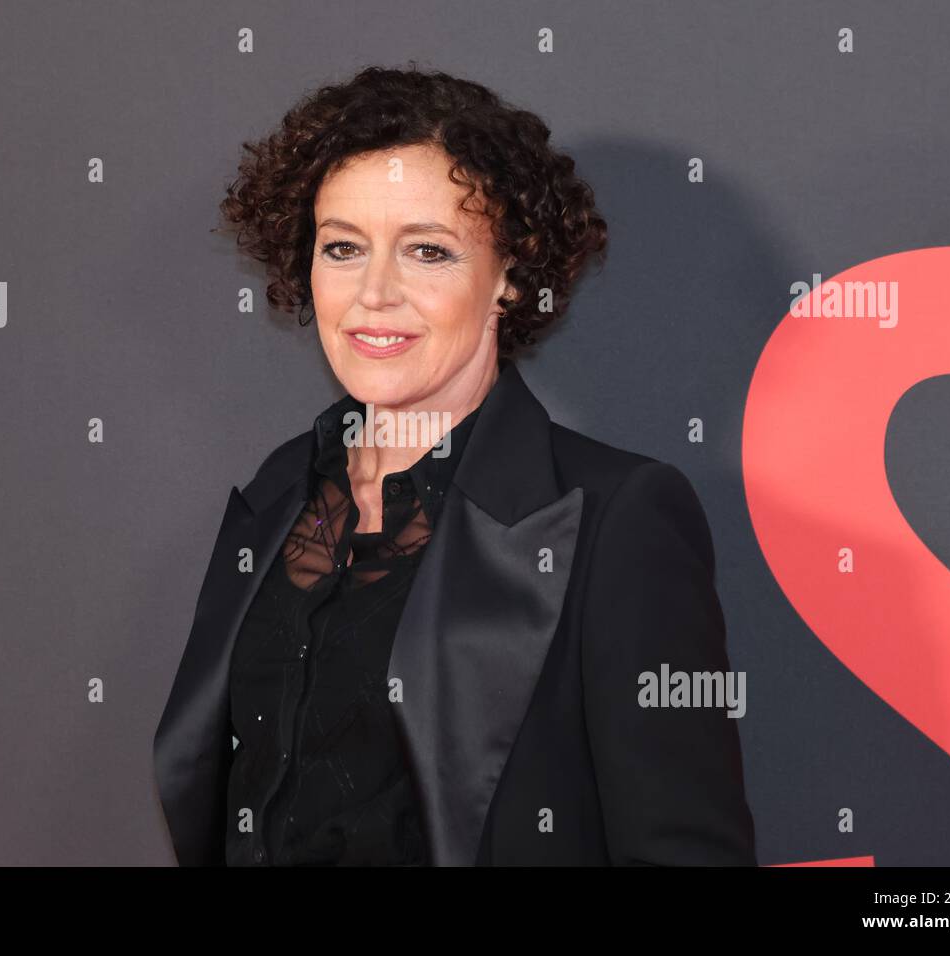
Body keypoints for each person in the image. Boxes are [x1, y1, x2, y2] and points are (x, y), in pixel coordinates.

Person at [153, 63, 757, 866]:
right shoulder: (281, 492)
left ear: (509, 275)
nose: (374, 293)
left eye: (427, 253)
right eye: (342, 248)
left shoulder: (613, 518)